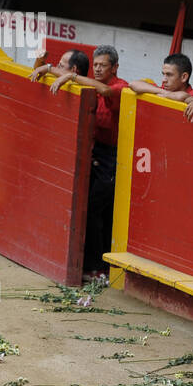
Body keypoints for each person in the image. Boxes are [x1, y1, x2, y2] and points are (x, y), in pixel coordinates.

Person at [34, 46, 127, 278]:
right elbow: (62, 75)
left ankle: (97, 267)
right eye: (95, 64)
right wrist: (45, 66)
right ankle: (97, 266)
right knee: (96, 212)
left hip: (115, 158)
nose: (97, 69)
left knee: (95, 210)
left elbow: (106, 91)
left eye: (102, 65)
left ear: (114, 67)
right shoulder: (89, 81)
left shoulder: (120, 86)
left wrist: (72, 76)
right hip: (96, 154)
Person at [128, 52, 193, 99]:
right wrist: (164, 92)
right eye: (163, 74)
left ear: (184, 77)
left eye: (169, 75)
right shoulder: (163, 90)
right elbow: (132, 84)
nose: (164, 80)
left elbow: (184, 97)